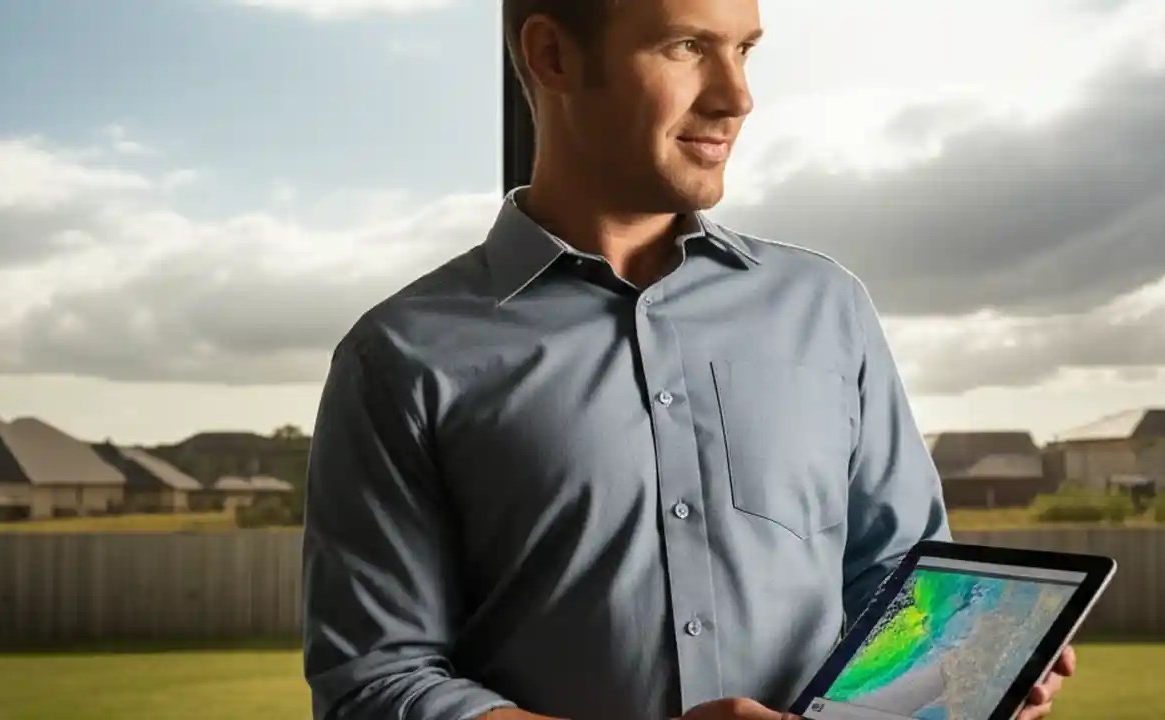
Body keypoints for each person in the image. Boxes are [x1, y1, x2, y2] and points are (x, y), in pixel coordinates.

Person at [301, 0, 1075, 718]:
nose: (736, 98)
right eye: (686, 47)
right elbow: (373, 682)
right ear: (553, 56)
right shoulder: (401, 355)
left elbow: (897, 579)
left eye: (744, 50)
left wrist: (967, 668)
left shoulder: (826, 307)